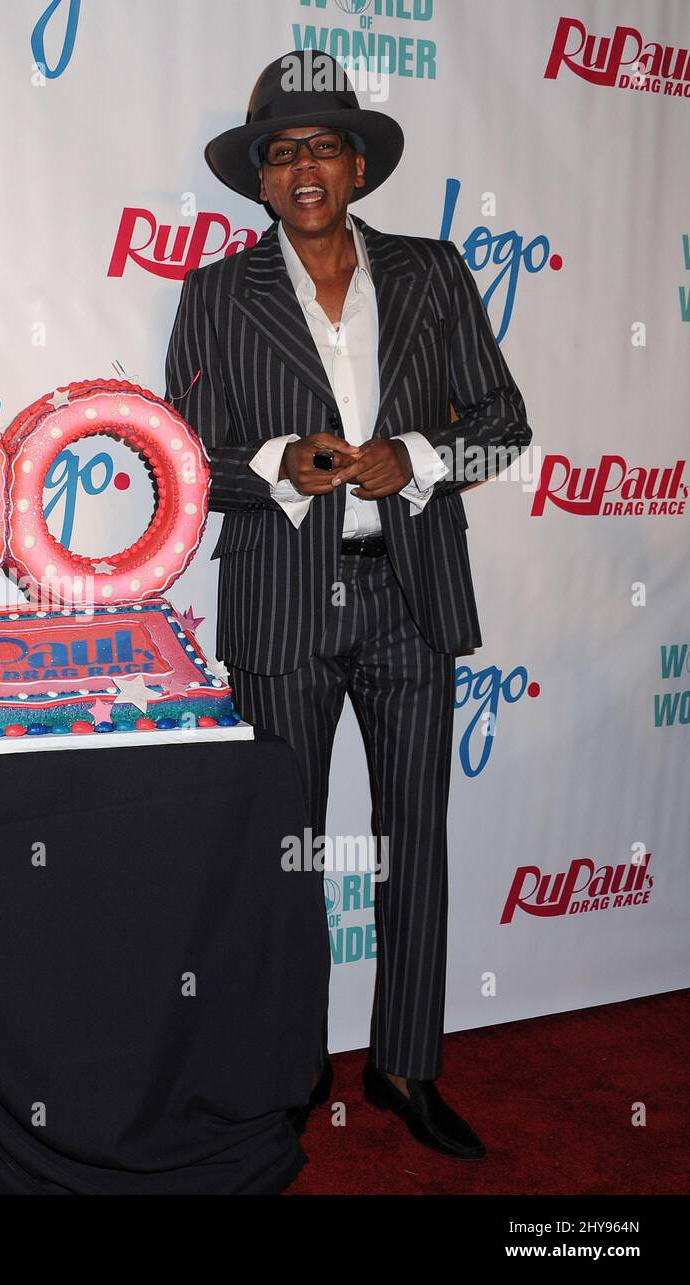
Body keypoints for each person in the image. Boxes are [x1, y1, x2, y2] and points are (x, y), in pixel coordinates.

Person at [165, 48, 532, 1160]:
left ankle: (406, 1068)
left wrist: (410, 455)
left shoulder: (433, 274)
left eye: (323, 144)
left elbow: (506, 426)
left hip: (411, 595)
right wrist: (285, 461)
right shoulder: (216, 294)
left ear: (359, 165)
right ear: (260, 180)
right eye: (281, 152)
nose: (303, 166)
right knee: (285, 847)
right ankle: (284, 1069)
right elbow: (187, 459)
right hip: (281, 602)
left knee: (414, 835)